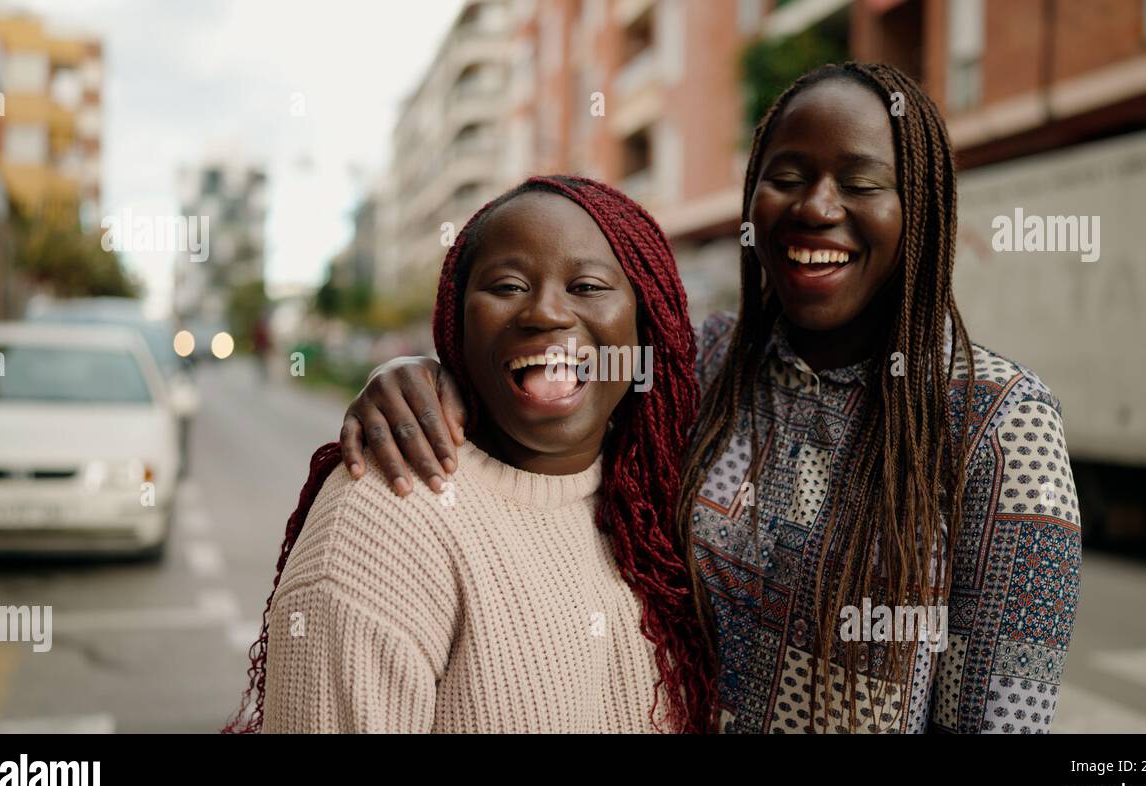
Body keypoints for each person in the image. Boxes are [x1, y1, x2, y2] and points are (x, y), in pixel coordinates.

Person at [336, 62, 1083, 733]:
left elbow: (1002, 718)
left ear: (918, 209)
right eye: (787, 176)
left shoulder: (1000, 424)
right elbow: (548, 366)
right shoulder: (704, 363)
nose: (816, 207)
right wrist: (418, 375)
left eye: (859, 183)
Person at [222, 176, 714, 733]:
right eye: (507, 286)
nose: (546, 313)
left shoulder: (660, 502)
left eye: (588, 287)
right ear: (456, 324)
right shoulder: (386, 515)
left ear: (646, 325)